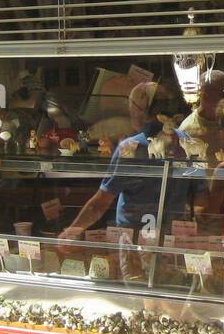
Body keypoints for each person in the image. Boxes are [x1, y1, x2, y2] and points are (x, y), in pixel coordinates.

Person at [61, 85, 194, 251]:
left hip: (134, 241)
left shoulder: (130, 147)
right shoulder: (187, 141)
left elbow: (100, 204)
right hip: (173, 241)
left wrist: (71, 233)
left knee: (133, 277)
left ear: (139, 111)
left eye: (131, 105)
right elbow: (201, 195)